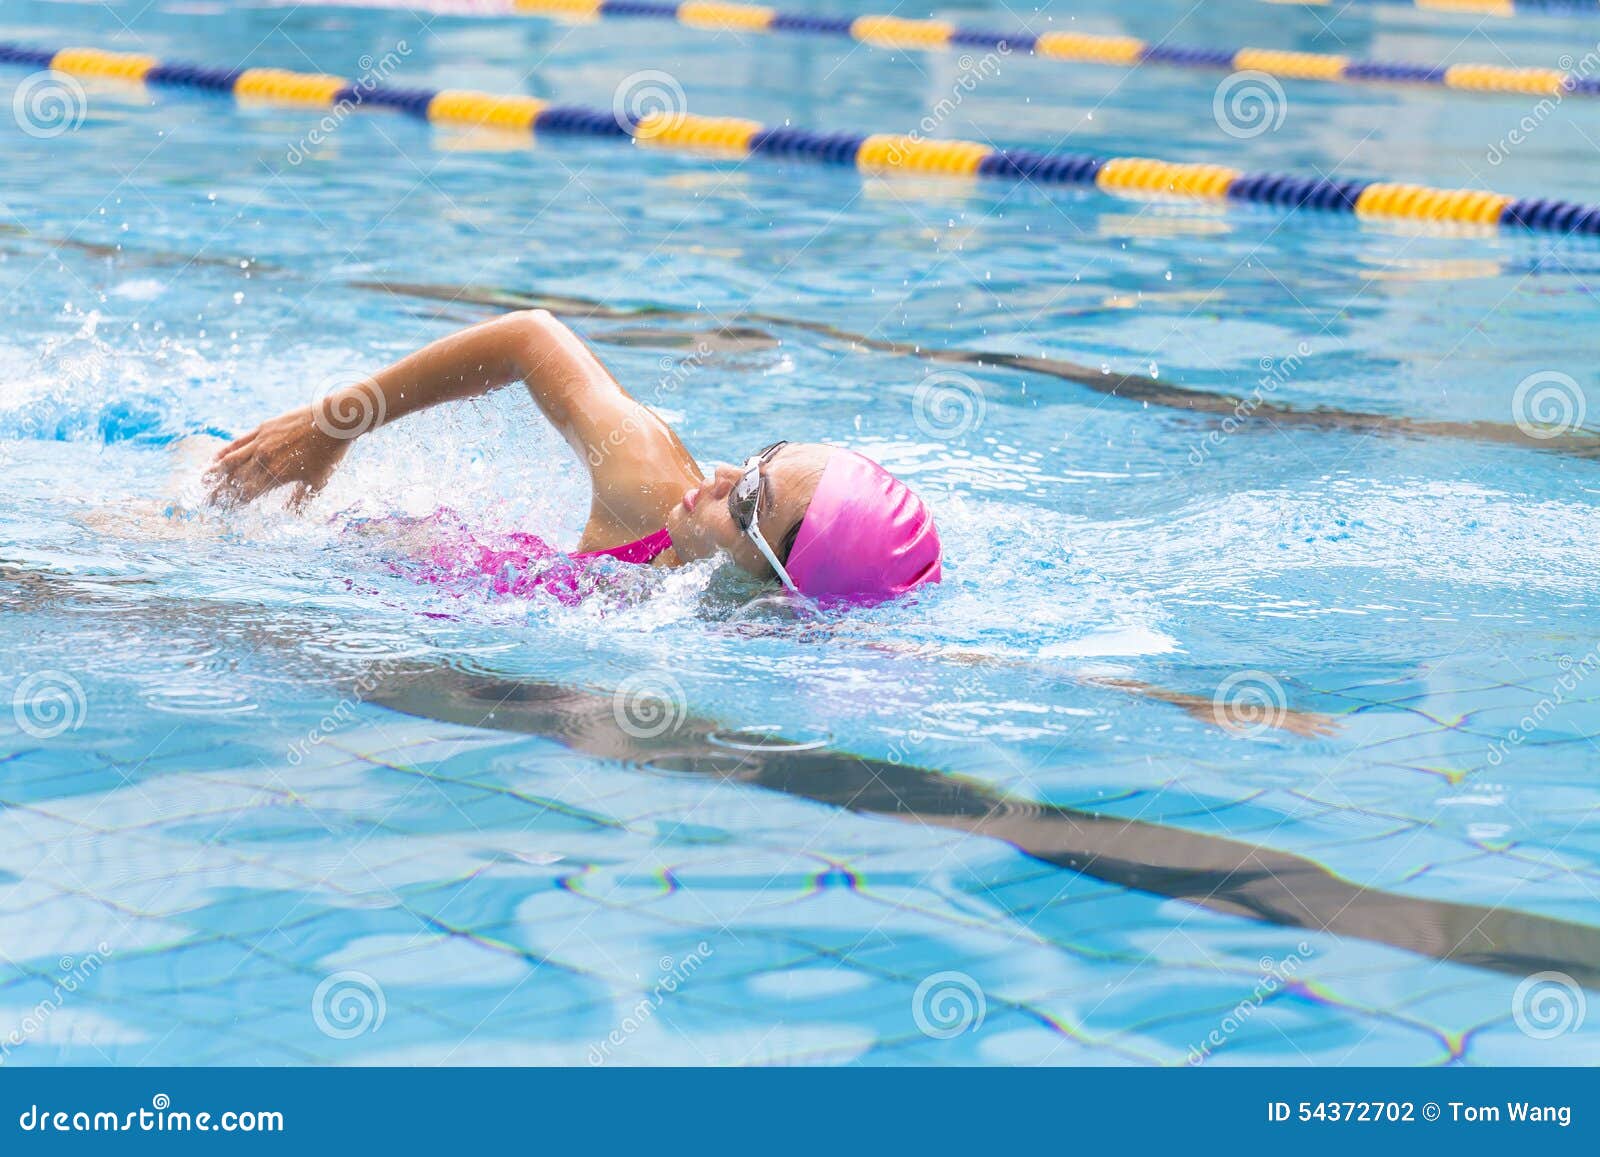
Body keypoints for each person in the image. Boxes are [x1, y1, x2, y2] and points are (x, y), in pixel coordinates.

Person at [203, 309, 942, 605]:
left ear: (779, 596)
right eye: (757, 460)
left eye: (749, 499)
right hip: (319, 547)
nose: (719, 477)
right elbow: (530, 336)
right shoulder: (651, 491)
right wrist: (333, 426)